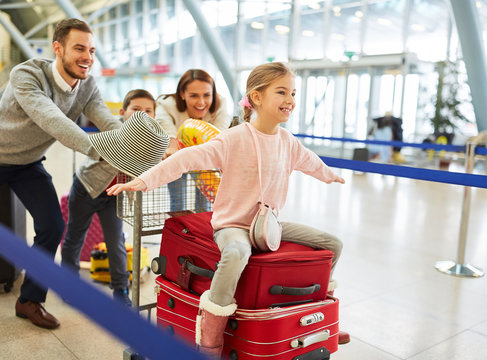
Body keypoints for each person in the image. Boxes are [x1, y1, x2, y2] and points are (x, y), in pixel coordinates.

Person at [107, 62, 350, 358]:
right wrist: (142, 181)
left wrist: (330, 175)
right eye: (282, 92)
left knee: (331, 245)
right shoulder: (234, 139)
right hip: (233, 225)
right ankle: (210, 339)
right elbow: (185, 160)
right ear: (257, 98)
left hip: (267, 225)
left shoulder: (288, 142)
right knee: (236, 253)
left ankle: (320, 314)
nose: (290, 100)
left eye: (293, 93)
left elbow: (311, 161)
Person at [0, 18, 123, 330]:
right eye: (79, 48)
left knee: (52, 226)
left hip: (27, 164)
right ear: (58, 48)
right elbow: (55, 122)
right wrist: (106, 151)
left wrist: (141, 146)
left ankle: (29, 300)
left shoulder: (88, 86)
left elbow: (109, 124)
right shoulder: (27, 74)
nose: (88, 57)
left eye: (92, 50)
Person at [61, 89, 159, 307]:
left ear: (154, 115)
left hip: (113, 196)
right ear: (123, 112)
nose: (141, 114)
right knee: (75, 236)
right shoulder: (114, 129)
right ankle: (68, 285)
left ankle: (121, 289)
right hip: (86, 187)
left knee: (116, 242)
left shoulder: (151, 141)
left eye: (148, 110)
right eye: (136, 109)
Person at [155, 69, 230, 213]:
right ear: (182, 94)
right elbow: (170, 135)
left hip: (204, 156)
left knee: (204, 204)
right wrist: (173, 149)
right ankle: (178, 233)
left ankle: (201, 232)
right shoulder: (166, 105)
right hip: (177, 153)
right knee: (178, 203)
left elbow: (217, 137)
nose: (201, 102)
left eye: (207, 95)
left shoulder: (220, 105)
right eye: (194, 96)